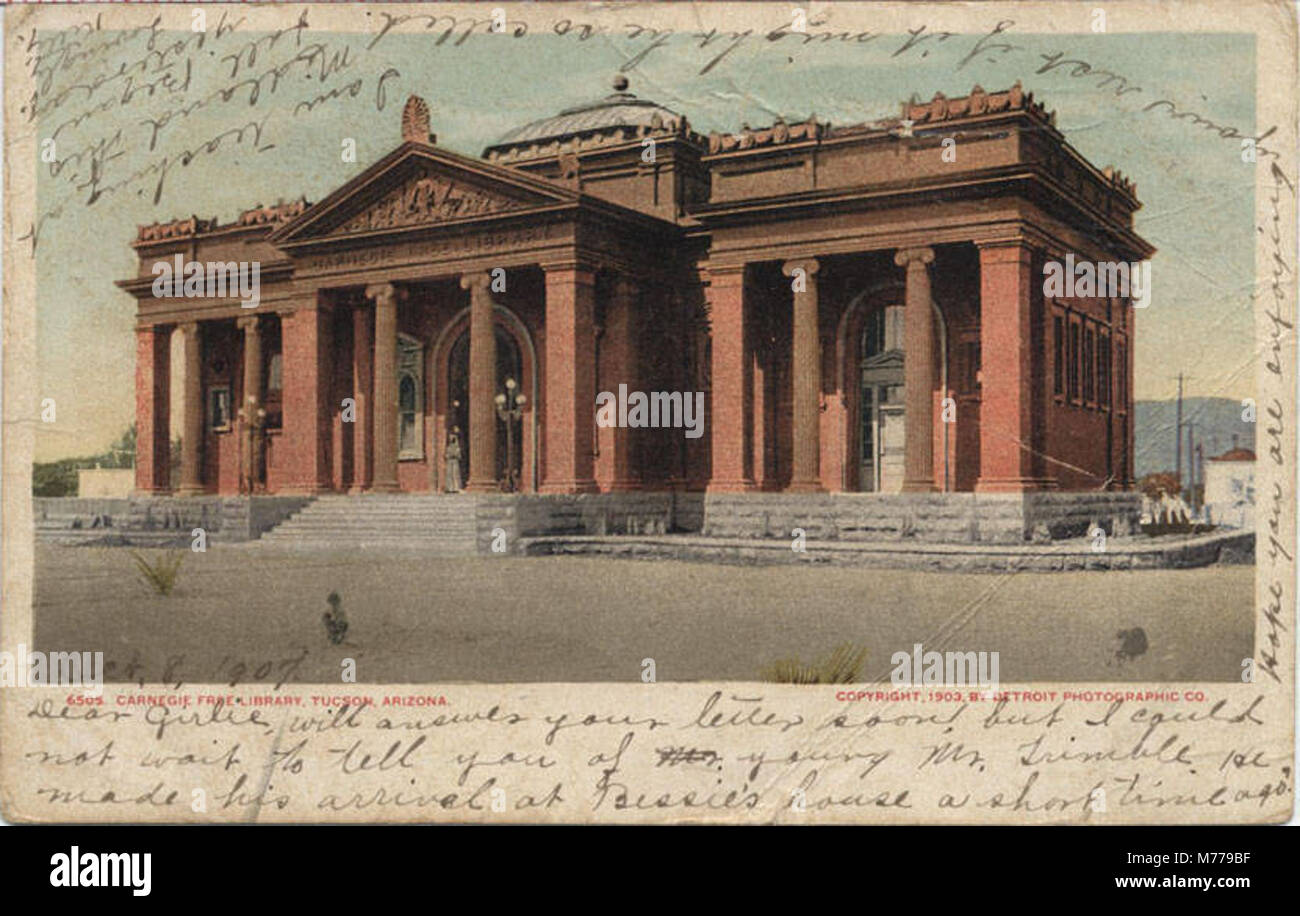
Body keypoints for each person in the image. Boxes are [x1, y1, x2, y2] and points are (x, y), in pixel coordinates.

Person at [444, 427, 463, 492]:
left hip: (455, 460)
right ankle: (449, 488)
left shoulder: (457, 445)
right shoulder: (448, 445)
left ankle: (456, 487)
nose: (452, 438)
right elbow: (446, 453)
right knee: (449, 473)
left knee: (455, 473)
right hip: (450, 460)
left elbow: (458, 452)